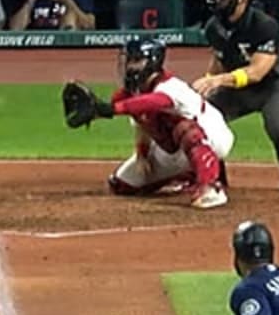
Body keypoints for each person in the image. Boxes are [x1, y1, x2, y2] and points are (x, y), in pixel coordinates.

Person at [192, 0, 279, 192]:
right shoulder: (213, 27)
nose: (220, 1)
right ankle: (213, 173)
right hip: (236, 88)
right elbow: (219, 60)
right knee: (204, 117)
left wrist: (218, 81)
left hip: (272, 86)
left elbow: (257, 71)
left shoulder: (264, 25)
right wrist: (207, 83)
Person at [92, 37, 235, 210]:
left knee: (185, 129)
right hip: (174, 149)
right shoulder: (130, 94)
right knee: (121, 184)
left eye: (136, 60)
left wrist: (112, 109)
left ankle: (211, 188)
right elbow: (141, 124)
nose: (130, 67)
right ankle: (184, 176)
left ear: (152, 62)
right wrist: (142, 153)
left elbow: (156, 101)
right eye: (128, 60)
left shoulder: (171, 86)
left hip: (213, 136)